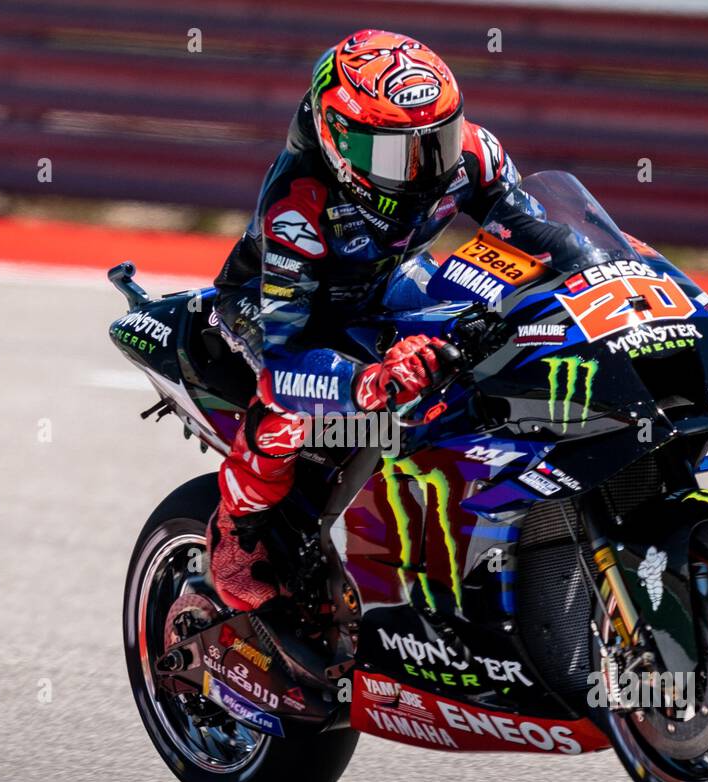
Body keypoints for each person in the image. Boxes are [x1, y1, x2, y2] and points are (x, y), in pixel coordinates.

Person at [209, 28, 521, 613]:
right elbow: (283, 359)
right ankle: (236, 529)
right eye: (396, 153)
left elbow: (535, 233)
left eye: (438, 140)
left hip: (382, 283)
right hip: (277, 308)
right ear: (339, 140)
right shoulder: (299, 208)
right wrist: (368, 381)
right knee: (286, 406)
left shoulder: (472, 154)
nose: (427, 166)